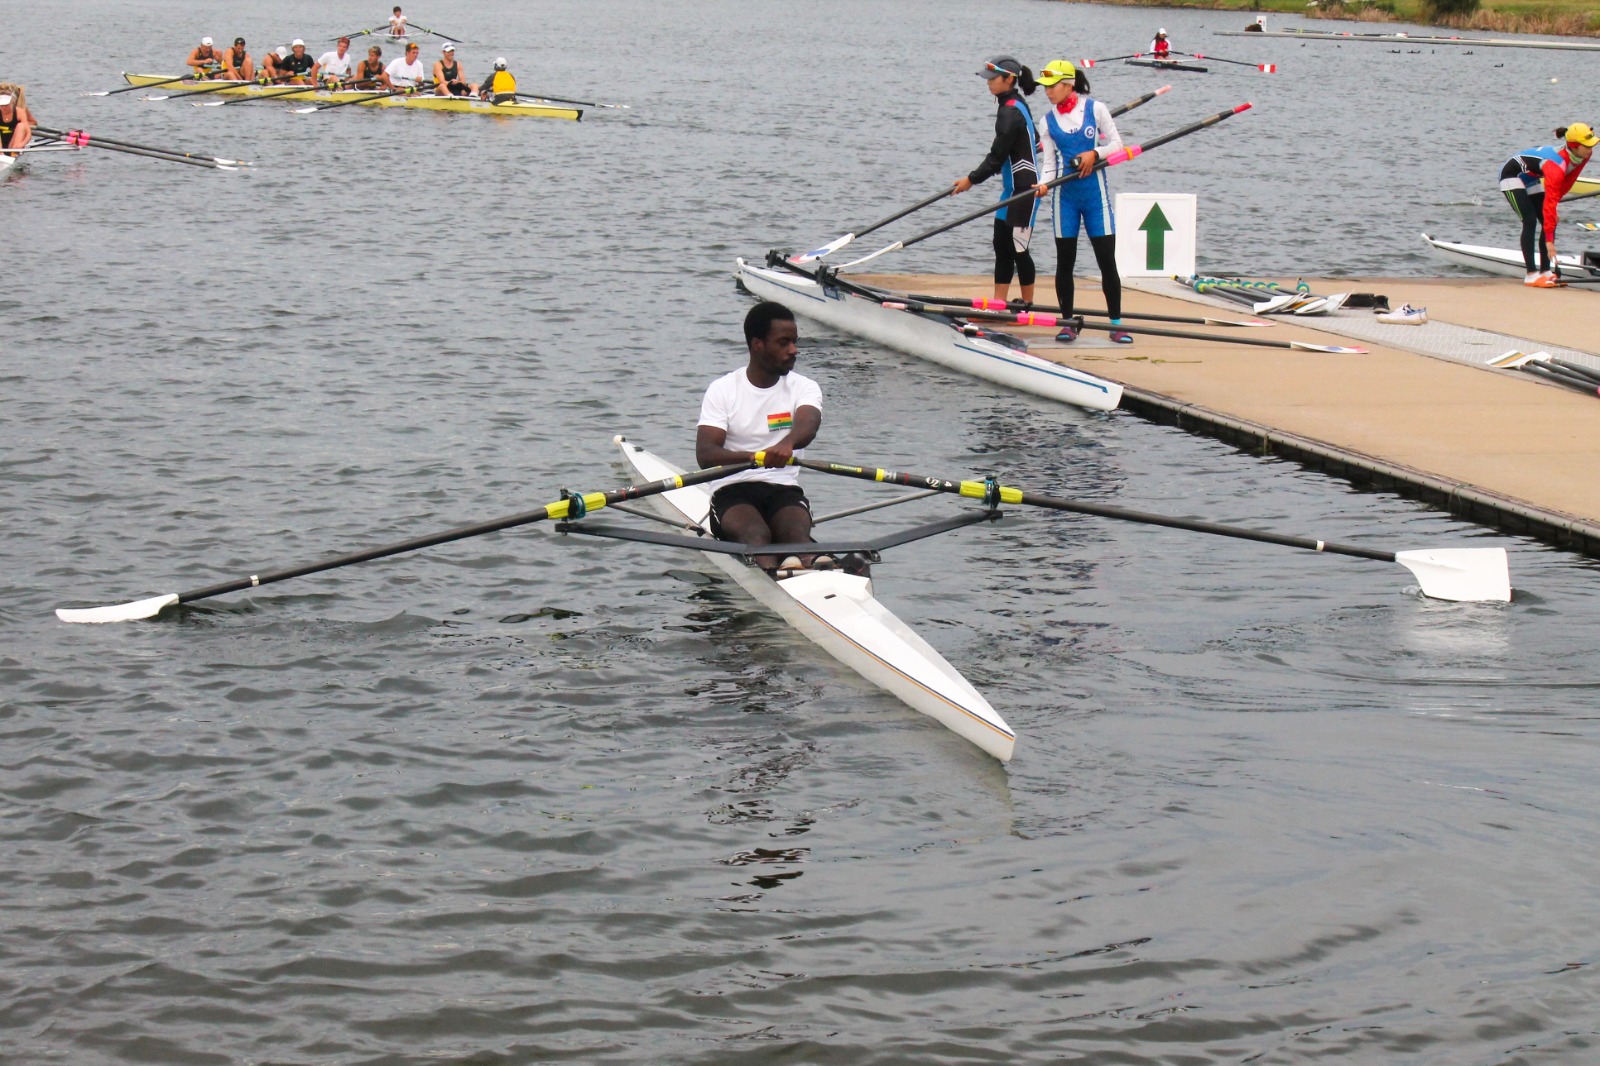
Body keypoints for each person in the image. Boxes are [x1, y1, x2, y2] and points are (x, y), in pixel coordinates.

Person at [696, 301, 826, 574]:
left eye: (794, 341)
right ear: (757, 345)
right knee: (756, 535)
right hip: (732, 491)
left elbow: (808, 424)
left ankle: (818, 574)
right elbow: (706, 454)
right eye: (783, 342)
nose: (794, 350)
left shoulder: (804, 387)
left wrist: (786, 444)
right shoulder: (723, 390)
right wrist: (755, 458)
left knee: (796, 536)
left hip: (783, 489)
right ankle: (773, 581)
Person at [1032, 60, 1132, 344]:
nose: (1048, 92)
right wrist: (1043, 185)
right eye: (1045, 88)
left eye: (1053, 87)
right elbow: (1050, 165)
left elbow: (1117, 144)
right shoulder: (1047, 121)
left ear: (1069, 85)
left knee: (1106, 262)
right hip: (1066, 199)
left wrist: (1094, 154)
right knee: (1065, 263)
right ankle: (1067, 323)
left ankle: (1116, 324)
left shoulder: (1095, 109)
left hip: (1095, 197)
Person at [952, 56, 1040, 305]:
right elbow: (1030, 136)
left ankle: (1026, 307)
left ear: (1009, 80)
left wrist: (971, 179)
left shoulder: (1011, 111)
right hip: (1011, 188)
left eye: (993, 79)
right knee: (1001, 245)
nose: (988, 83)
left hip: (1026, 189)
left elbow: (996, 155)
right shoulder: (1013, 104)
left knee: (1018, 249)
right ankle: (999, 306)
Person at [1500, 123, 1597, 286]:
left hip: (1530, 178)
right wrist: (1550, 240)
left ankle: (1546, 271)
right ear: (1574, 146)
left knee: (1549, 219)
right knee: (1529, 220)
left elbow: (1567, 183)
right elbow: (1550, 198)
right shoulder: (1555, 166)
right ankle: (1531, 274)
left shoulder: (1584, 155)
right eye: (1586, 145)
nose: (1590, 148)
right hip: (1512, 175)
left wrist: (1552, 214)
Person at [0, 84, 35, 154]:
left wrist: (22, 144)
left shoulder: (20, 112)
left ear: (12, 101)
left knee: (21, 126)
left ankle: (14, 154)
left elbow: (28, 133)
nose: (4, 108)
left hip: (13, 144)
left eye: (6, 105)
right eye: (1, 105)